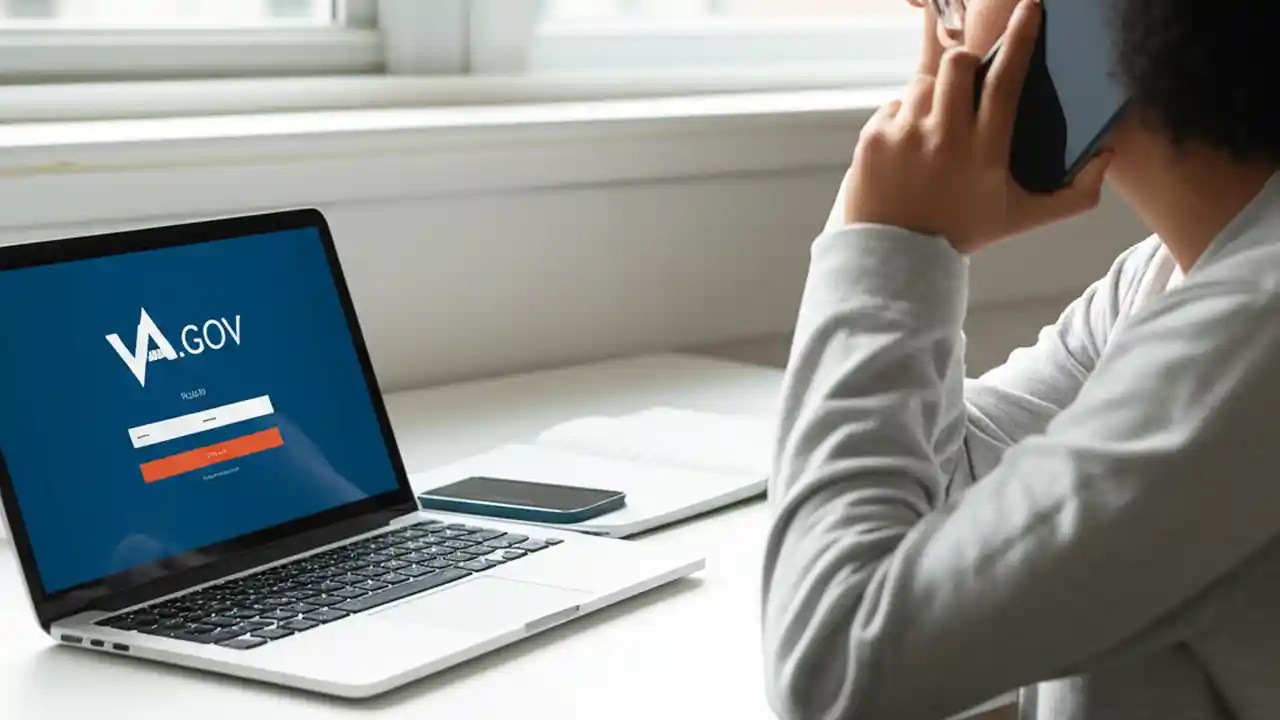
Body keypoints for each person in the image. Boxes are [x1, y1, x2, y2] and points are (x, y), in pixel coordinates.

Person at [761, 0, 1280, 718]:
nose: (922, 5)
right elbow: (954, 501)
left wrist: (890, 244)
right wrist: (889, 217)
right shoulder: (1163, 283)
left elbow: (836, 669)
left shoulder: (1247, 341)